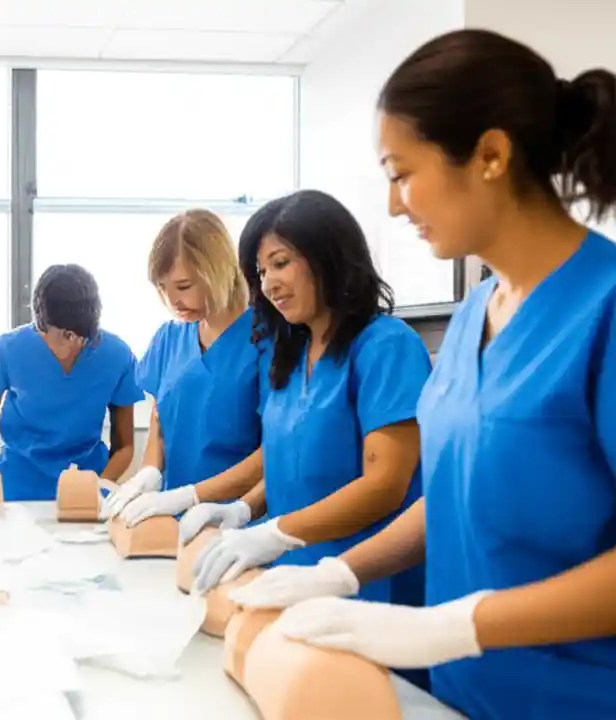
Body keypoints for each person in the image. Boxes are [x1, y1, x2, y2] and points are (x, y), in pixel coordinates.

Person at [230, 29, 616, 719]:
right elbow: (456, 496)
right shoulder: (473, 316)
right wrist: (339, 571)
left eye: (401, 173)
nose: (392, 205)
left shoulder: (603, 309)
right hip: (458, 693)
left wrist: (451, 625)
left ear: (491, 155)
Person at [190, 190, 431, 607]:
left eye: (281, 263)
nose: (269, 284)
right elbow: (292, 463)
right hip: (292, 581)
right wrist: (243, 511)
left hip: (364, 585)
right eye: (261, 272)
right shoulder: (291, 356)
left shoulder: (386, 348)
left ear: (330, 258)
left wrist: (275, 532)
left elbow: (385, 485)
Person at [99, 210, 265, 527]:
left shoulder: (267, 342)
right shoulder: (169, 338)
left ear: (217, 271)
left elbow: (276, 450)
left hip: (241, 520)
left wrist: (194, 495)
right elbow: (161, 419)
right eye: (162, 288)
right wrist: (148, 472)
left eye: (183, 286)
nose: (172, 300)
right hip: (173, 520)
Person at [0, 264, 142, 501]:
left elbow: (124, 446)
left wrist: (100, 485)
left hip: (86, 483)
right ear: (41, 326)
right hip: (18, 484)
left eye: (82, 335)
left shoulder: (117, 355)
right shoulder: (9, 348)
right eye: (65, 335)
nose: (74, 344)